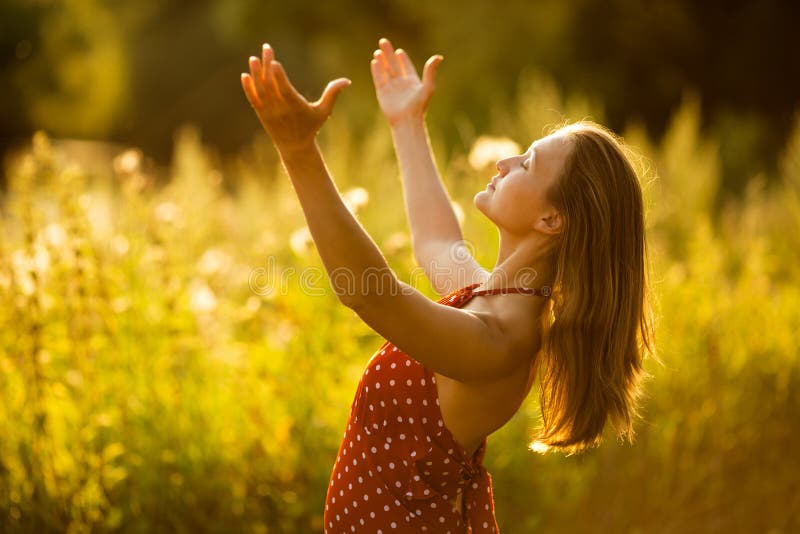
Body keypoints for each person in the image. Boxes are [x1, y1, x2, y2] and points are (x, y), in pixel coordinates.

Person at [241, 37, 656, 534]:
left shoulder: (501, 340)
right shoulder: (494, 301)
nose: (504, 164)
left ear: (551, 218)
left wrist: (298, 150)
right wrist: (406, 123)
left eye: (527, 164)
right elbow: (437, 241)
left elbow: (370, 293)